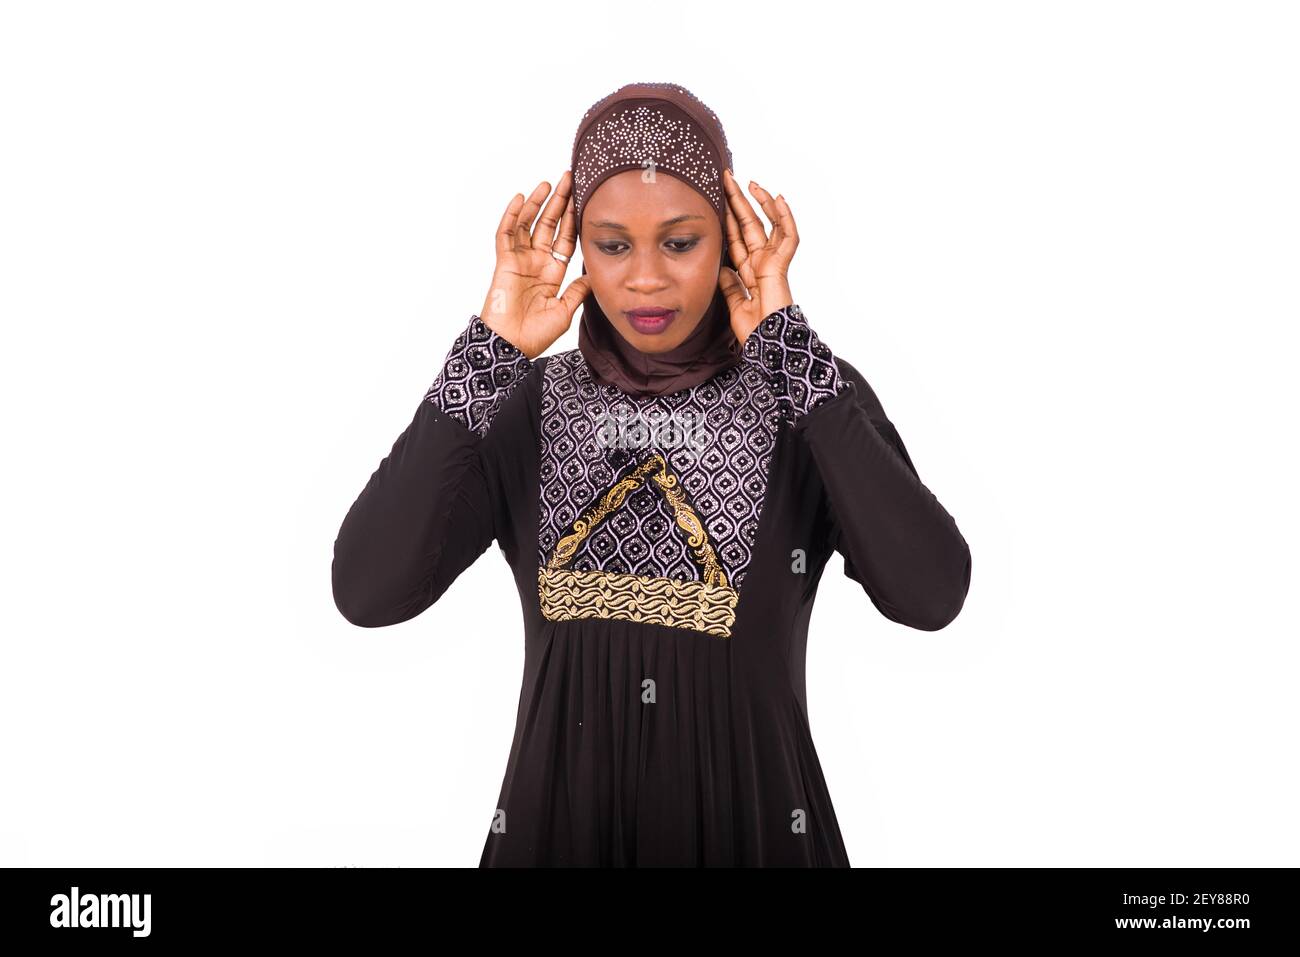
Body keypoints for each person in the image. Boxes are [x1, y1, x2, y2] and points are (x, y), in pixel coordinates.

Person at [331, 82, 972, 866]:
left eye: (679, 242)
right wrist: (489, 353)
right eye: (611, 243)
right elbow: (368, 590)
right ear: (579, 247)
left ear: (732, 243)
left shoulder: (803, 397)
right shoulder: (529, 403)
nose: (644, 279)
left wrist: (791, 352)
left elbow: (931, 593)